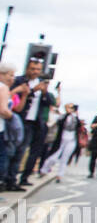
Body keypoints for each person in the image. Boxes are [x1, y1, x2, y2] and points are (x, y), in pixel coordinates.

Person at [13, 57, 58, 185]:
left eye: (38, 69)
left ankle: (24, 178)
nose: (35, 71)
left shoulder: (42, 83)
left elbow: (50, 103)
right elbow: (14, 98)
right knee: (19, 150)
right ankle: (11, 179)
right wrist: (33, 90)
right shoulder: (19, 81)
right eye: (33, 69)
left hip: (38, 123)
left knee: (35, 152)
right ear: (27, 68)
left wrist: (44, 93)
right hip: (23, 120)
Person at [41, 103, 83, 182]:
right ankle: (44, 170)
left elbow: (78, 126)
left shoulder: (75, 118)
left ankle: (60, 175)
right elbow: (58, 122)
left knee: (65, 158)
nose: (71, 109)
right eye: (70, 108)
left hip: (71, 140)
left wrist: (76, 115)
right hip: (61, 140)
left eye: (72, 108)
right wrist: (67, 114)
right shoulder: (63, 117)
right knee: (53, 157)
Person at [0, 63, 16, 191]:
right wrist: (12, 117)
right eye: (10, 75)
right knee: (2, 157)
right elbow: (3, 110)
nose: (12, 78)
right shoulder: (3, 87)